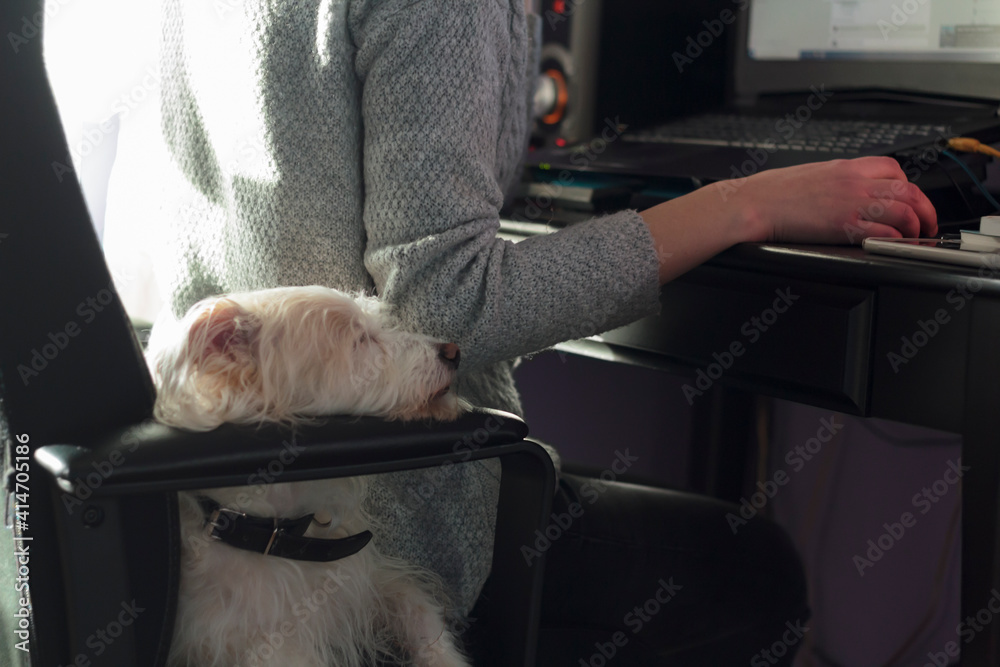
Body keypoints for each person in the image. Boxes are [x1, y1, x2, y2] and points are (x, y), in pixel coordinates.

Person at [102, 0, 936, 663]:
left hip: (207, 514)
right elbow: (446, 305)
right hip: (369, 531)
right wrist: (744, 202)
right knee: (753, 571)